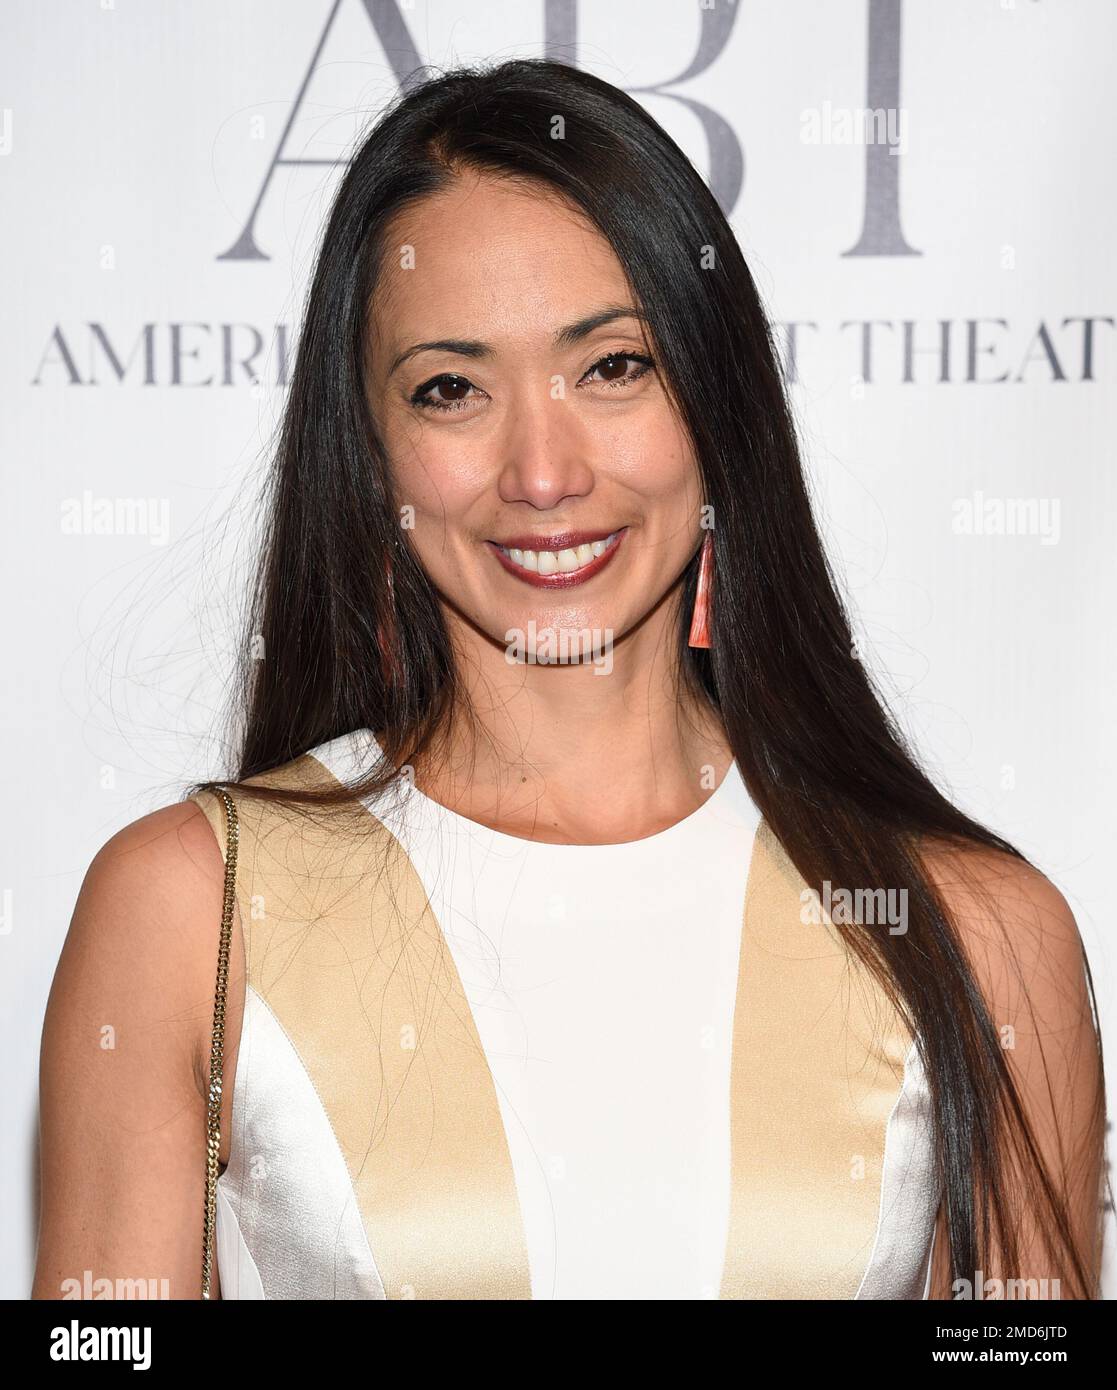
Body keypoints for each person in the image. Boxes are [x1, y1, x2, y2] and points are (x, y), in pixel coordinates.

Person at [33, 58, 1105, 1301]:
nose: (542, 470)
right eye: (451, 389)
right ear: (371, 456)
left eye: (613, 368)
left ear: (716, 403)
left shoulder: (979, 934)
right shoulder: (187, 909)